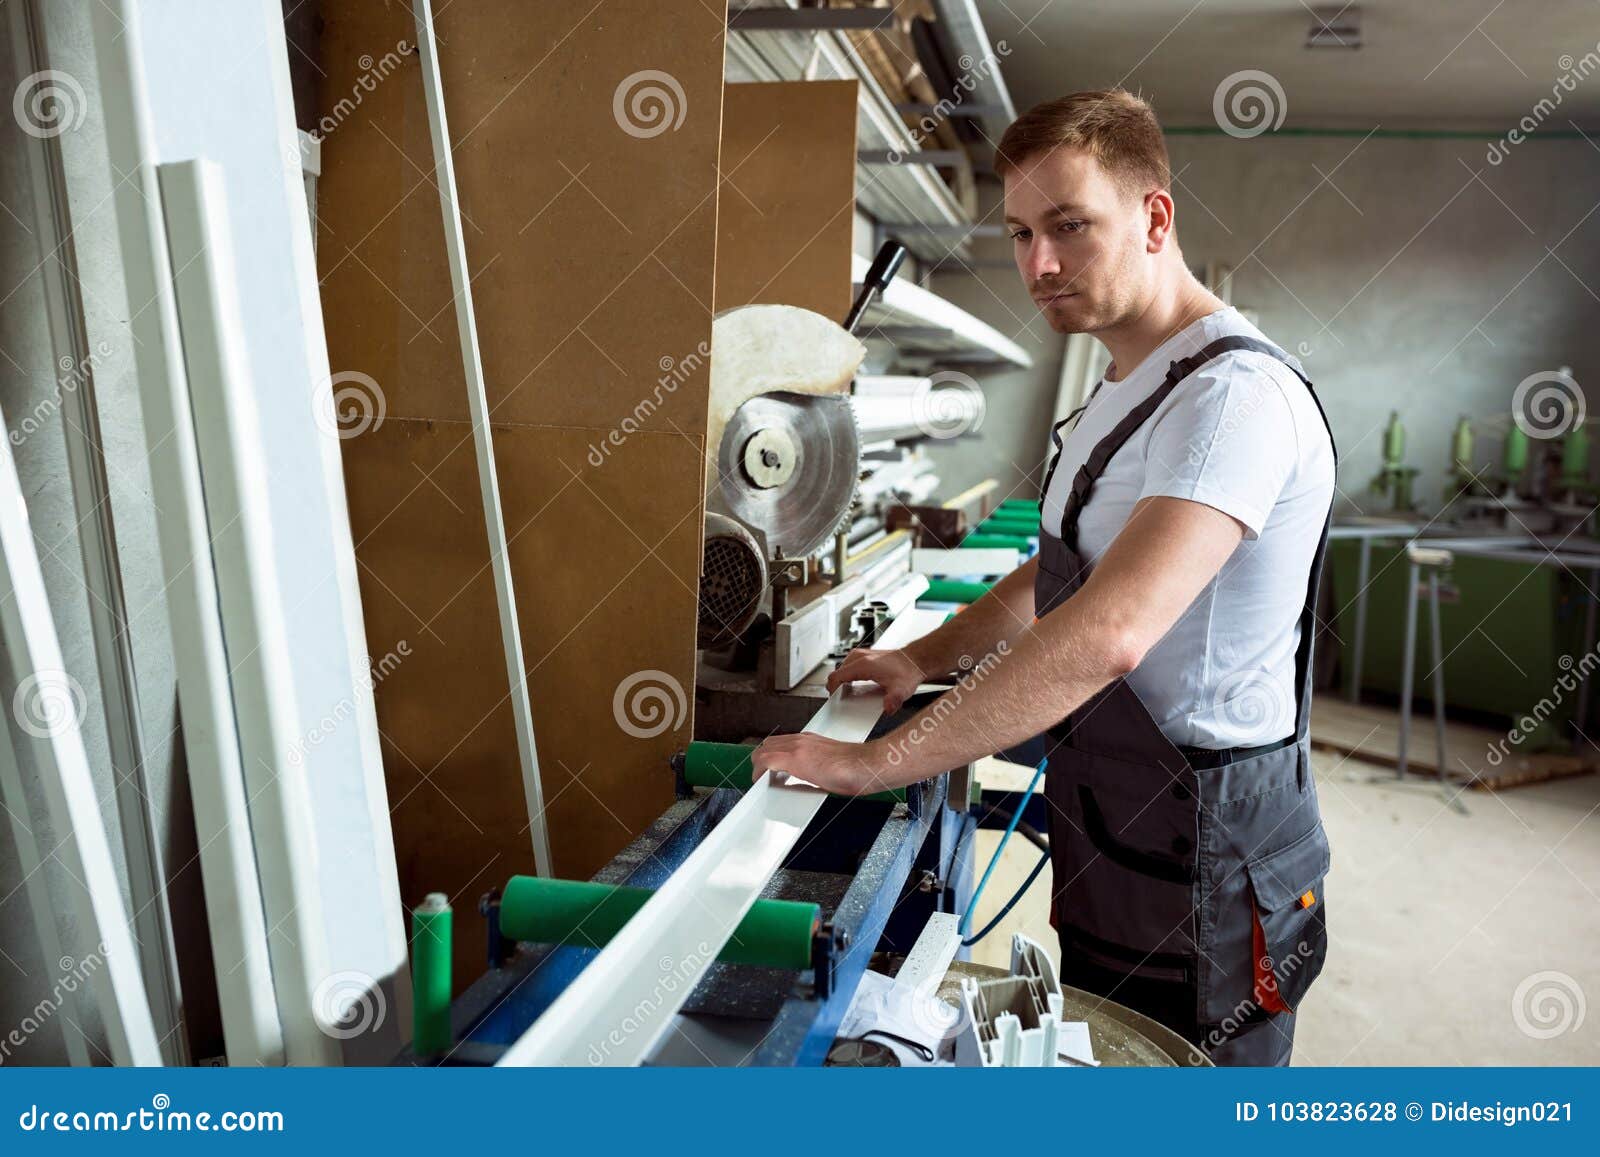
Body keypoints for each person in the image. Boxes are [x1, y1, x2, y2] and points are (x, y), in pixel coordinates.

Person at [752, 90, 1336, 1066]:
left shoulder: (1232, 399)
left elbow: (1112, 628)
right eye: (1021, 233)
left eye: (1069, 226)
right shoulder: (1126, 381)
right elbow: (1054, 576)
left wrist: (874, 762)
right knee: (1109, 1053)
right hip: (1120, 817)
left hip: (1211, 849)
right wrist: (916, 658)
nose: (1039, 264)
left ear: (1154, 218)